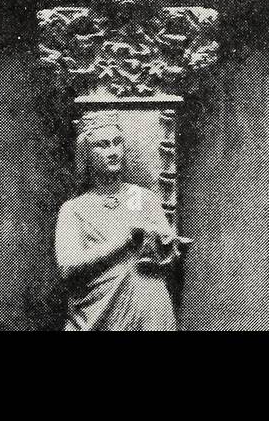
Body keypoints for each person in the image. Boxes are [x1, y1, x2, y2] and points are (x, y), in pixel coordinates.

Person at [55, 113, 180, 331]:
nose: (113, 151)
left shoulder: (142, 197)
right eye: (102, 145)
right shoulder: (74, 209)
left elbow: (170, 258)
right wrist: (123, 240)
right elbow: (68, 267)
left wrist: (165, 243)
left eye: (117, 142)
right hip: (99, 313)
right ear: (86, 153)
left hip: (149, 308)